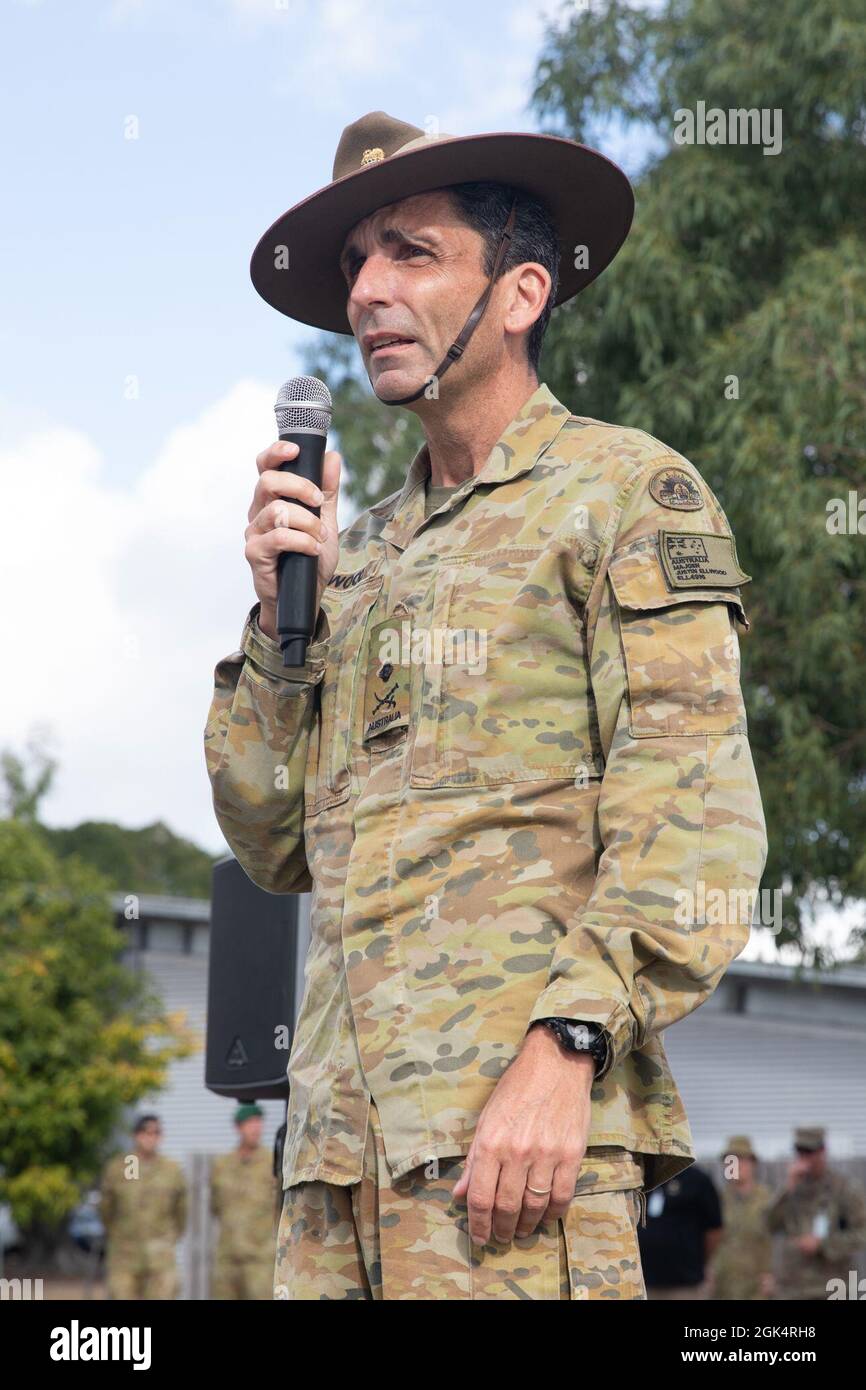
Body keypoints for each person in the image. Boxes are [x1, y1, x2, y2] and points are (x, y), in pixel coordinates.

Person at [205, 109, 767, 1300]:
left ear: (518, 293)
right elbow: (266, 838)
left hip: (513, 1177)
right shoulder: (347, 560)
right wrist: (274, 626)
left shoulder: (626, 494)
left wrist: (566, 1049)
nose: (365, 289)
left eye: (409, 251)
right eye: (356, 261)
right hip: (332, 1185)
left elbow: (693, 815)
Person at [767, 1126, 866, 1301]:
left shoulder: (844, 1189)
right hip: (792, 1290)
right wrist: (787, 1188)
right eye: (801, 1151)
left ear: (823, 1151)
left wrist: (823, 1244)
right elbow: (769, 1224)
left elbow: (862, 1234)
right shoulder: (790, 1190)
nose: (806, 1158)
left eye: (810, 1151)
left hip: (832, 1288)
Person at [100, 1114, 187, 1299]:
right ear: (136, 1136)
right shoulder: (120, 1168)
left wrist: (168, 1238)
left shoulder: (172, 1170)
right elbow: (107, 1209)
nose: (150, 1137)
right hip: (125, 1255)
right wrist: (119, 1235)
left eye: (155, 1133)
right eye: (145, 1132)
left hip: (160, 1257)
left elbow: (181, 1212)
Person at [210, 1103, 278, 1300]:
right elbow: (215, 1206)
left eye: (259, 1122)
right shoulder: (222, 1165)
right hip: (228, 1257)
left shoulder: (272, 1162)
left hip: (260, 1259)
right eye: (250, 1123)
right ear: (238, 1127)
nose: (256, 1128)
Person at [638, 1166, 723, 1299]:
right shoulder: (641, 1178)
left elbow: (714, 1230)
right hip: (644, 1283)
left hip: (685, 1286)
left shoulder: (697, 1180)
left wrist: (700, 1261)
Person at [708, 1135, 772, 1300]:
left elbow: (777, 1239)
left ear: (752, 1163)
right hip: (724, 1287)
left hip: (757, 1287)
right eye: (729, 1161)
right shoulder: (718, 1201)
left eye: (740, 1160)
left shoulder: (767, 1200)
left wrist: (773, 1273)